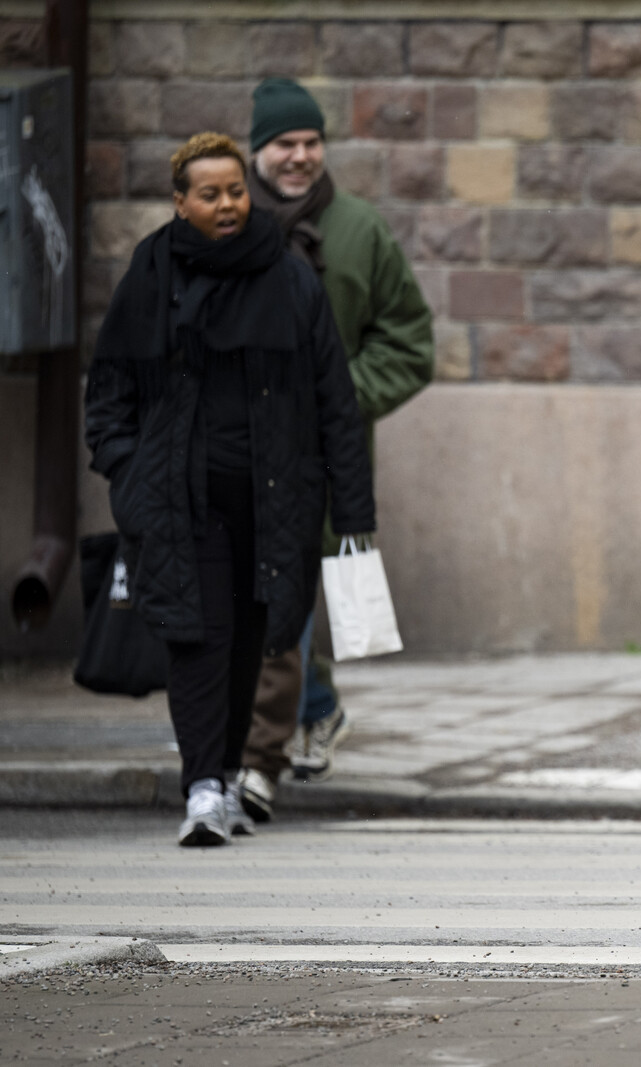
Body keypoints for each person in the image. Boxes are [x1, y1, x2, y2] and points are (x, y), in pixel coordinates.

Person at [84, 132, 374, 846]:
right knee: (198, 639)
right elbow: (110, 389)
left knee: (254, 640)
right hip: (183, 499)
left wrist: (353, 507)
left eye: (235, 191)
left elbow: (334, 398)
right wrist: (131, 468)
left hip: (274, 500)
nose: (226, 205)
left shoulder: (289, 275)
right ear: (180, 202)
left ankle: (230, 774)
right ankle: (203, 787)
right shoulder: (153, 275)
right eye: (208, 194)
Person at [236, 78, 434, 822]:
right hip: (240, 452)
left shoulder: (359, 231)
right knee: (257, 600)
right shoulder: (224, 221)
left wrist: (335, 394)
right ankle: (307, 711)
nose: (299, 156)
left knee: (290, 599)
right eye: (285, 144)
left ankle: (267, 746)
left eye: (311, 143)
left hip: (325, 458)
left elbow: (411, 344)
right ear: (259, 149)